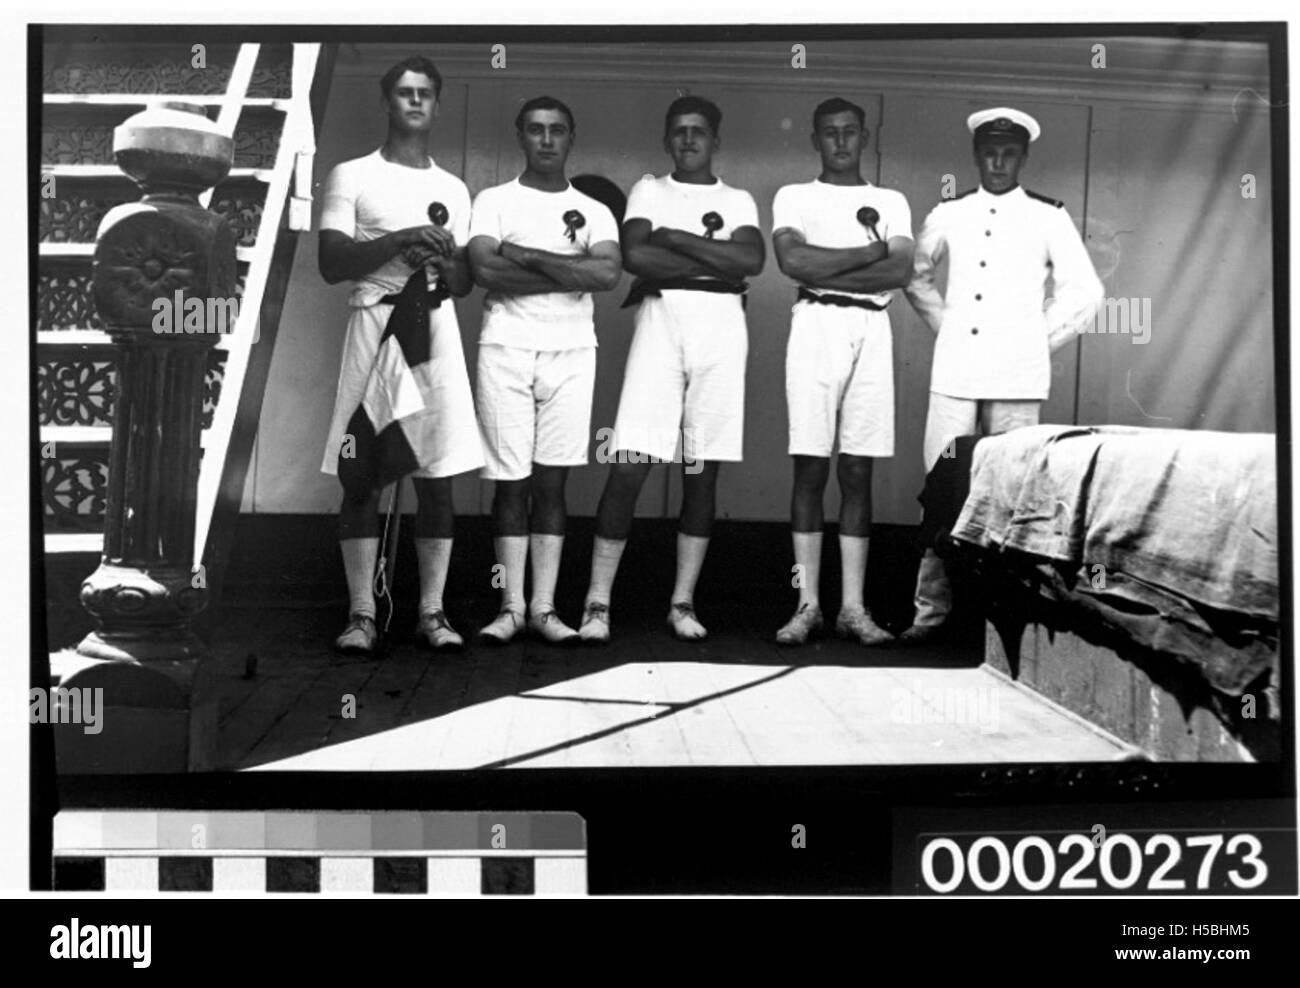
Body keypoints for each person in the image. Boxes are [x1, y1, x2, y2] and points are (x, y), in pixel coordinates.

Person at [899, 106, 1104, 645]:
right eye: (988, 152)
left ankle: (999, 619)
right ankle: (931, 613)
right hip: (957, 372)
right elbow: (914, 275)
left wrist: (1035, 340)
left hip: (1016, 375)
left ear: (1023, 157)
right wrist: (948, 327)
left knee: (1013, 494)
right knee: (942, 488)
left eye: (1008, 153)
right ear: (975, 155)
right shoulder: (951, 212)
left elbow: (1087, 294)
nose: (997, 161)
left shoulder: (1048, 216)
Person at [577, 96, 764, 644]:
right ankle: (596, 602)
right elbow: (637, 257)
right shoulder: (648, 190)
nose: (688, 140)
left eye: (699, 132)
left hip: (723, 326)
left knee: (701, 469)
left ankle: (682, 603)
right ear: (667, 139)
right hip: (662, 320)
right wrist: (712, 253)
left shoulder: (739, 197)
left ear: (715, 140)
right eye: (679, 131)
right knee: (630, 461)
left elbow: (750, 261)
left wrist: (675, 239)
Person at [318, 55, 483, 656]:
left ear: (437, 104)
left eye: (426, 94)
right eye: (404, 93)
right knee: (361, 474)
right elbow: (333, 262)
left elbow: (464, 283)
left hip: (436, 330)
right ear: (387, 101)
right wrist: (401, 240)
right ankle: (362, 612)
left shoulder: (452, 188)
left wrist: (442, 261)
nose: (415, 102)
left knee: (436, 478)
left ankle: (432, 612)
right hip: (374, 324)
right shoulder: (351, 174)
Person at [467, 96, 622, 645]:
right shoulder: (494, 200)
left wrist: (527, 258)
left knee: (552, 481)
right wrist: (567, 270)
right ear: (521, 136)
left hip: (573, 350)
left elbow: (605, 273)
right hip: (505, 345)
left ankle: (545, 609)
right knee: (511, 482)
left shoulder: (595, 210)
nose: (547, 140)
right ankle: (509, 608)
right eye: (536, 130)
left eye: (557, 130)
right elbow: (485, 267)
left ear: (571, 137)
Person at [770, 98, 915, 647]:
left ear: (864, 137)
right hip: (814, 325)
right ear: (816, 138)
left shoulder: (890, 199)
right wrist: (869, 253)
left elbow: (899, 269)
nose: (840, 141)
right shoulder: (794, 196)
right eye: (829, 132)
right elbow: (793, 264)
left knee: (857, 469)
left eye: (849, 132)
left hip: (873, 329)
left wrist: (835, 260)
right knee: (810, 466)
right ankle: (807, 606)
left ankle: (853, 608)